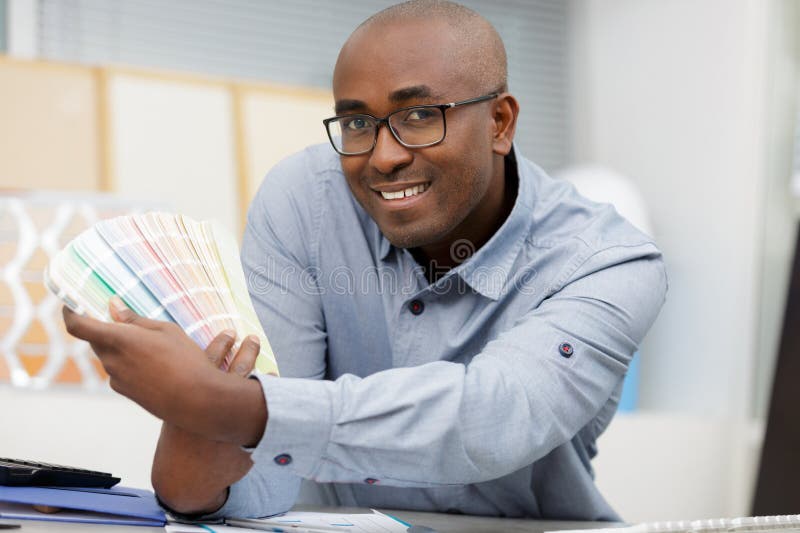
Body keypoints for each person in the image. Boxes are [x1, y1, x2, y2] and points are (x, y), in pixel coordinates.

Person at [63, 0, 667, 522]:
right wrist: (192, 417)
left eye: (419, 115)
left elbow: (497, 417)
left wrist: (222, 405)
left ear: (500, 123)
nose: (382, 157)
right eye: (357, 122)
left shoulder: (610, 263)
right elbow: (252, 482)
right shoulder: (304, 202)